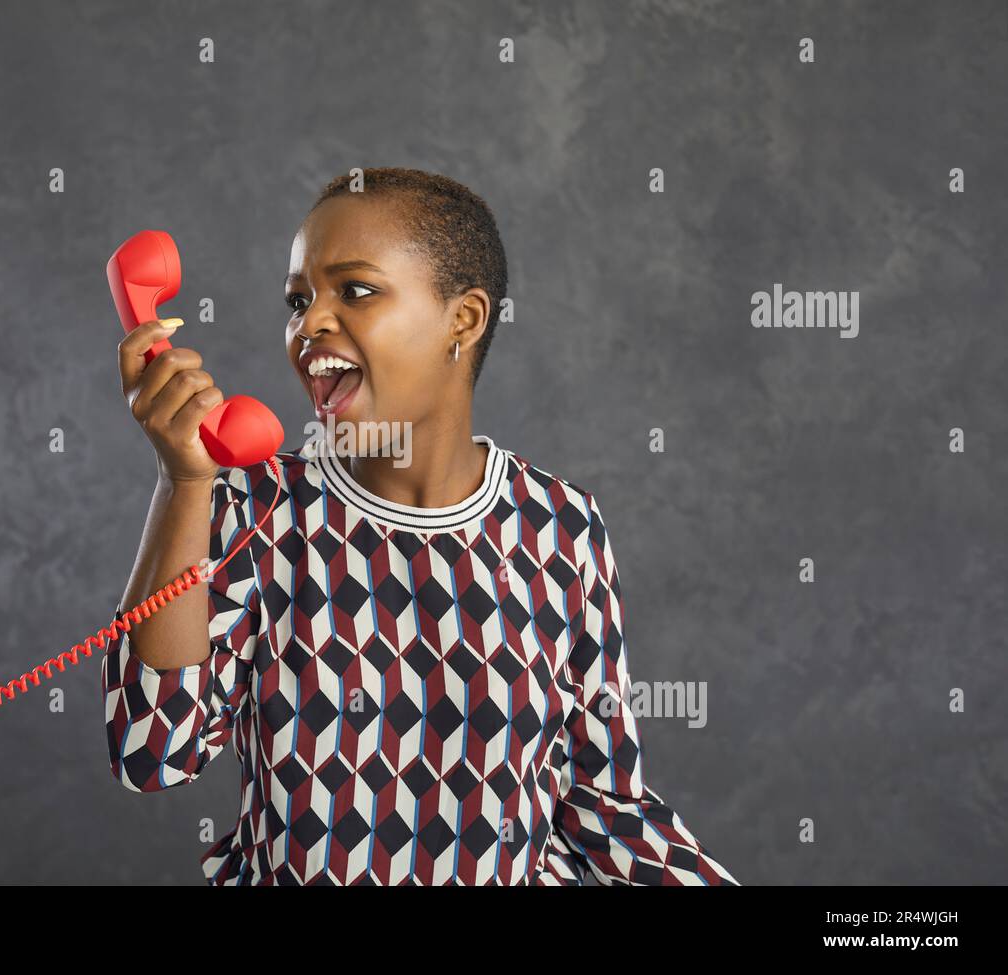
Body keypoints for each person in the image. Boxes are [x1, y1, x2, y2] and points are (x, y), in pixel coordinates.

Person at [102, 167, 739, 886]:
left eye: (356, 289)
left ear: (462, 319)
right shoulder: (251, 506)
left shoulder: (563, 526)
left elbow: (604, 805)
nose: (310, 321)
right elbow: (153, 752)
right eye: (299, 299)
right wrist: (185, 481)